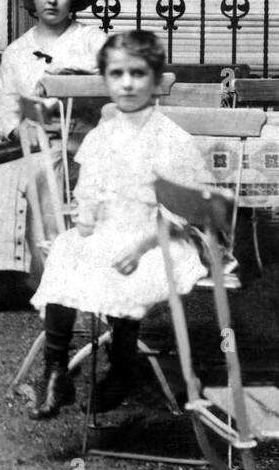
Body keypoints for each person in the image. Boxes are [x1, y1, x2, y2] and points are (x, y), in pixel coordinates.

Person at [27, 30, 211, 419]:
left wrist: (143, 244)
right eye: (117, 74)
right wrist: (86, 211)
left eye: (138, 74)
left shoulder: (170, 139)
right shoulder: (102, 135)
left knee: (129, 265)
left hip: (162, 237)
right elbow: (89, 188)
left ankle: (124, 364)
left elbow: (186, 213)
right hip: (113, 229)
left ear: (157, 81)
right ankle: (56, 370)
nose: (127, 83)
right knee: (67, 249)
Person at [0, 0, 108, 317]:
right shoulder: (17, 50)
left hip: (74, 137)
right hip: (24, 140)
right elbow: (5, 104)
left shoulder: (92, 40)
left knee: (43, 173)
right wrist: (18, 130)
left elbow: (116, 75)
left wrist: (71, 75)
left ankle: (45, 282)